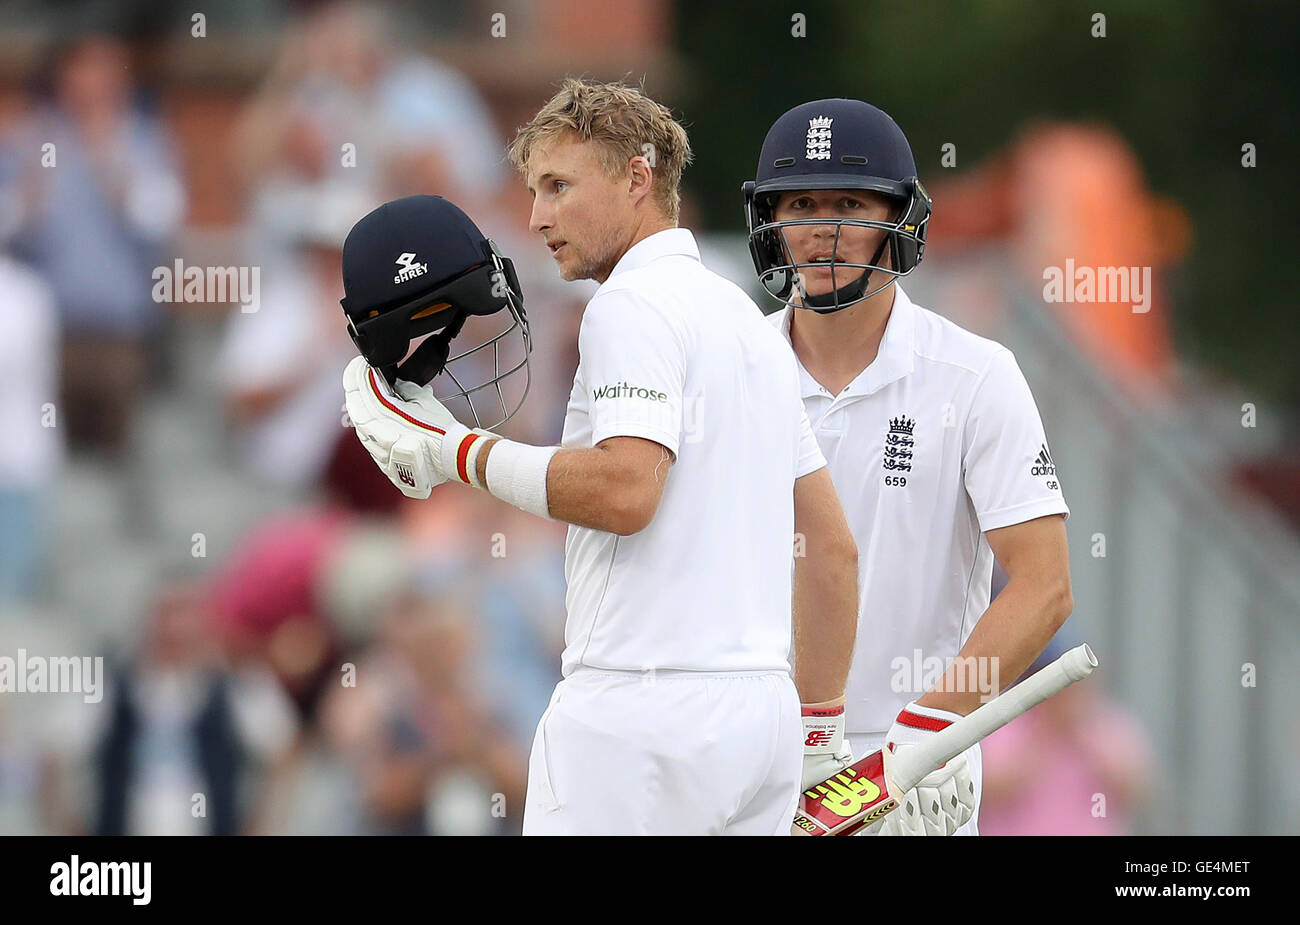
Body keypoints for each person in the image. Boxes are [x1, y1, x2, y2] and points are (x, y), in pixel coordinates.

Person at [341, 79, 860, 835]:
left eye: (558, 185)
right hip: (762, 725)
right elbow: (834, 554)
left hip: (638, 717)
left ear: (637, 178)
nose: (537, 216)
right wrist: (816, 735)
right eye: (532, 190)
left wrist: (456, 452)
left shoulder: (629, 305)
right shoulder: (750, 324)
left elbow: (626, 490)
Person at [744, 99, 1074, 835]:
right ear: (771, 221)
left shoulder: (976, 375)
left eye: (850, 203)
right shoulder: (732, 369)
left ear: (902, 219)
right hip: (753, 754)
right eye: (801, 203)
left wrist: (923, 733)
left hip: (903, 760)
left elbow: (1045, 584)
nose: (823, 228)